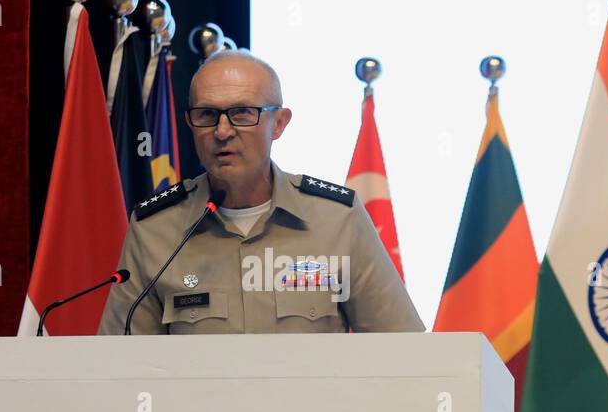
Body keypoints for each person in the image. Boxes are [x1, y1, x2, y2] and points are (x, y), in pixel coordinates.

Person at [98, 49, 424, 335]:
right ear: (190, 123)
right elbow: (121, 370)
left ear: (279, 124)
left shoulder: (337, 220)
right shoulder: (154, 230)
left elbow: (403, 351)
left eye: (242, 113)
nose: (222, 131)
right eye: (207, 115)